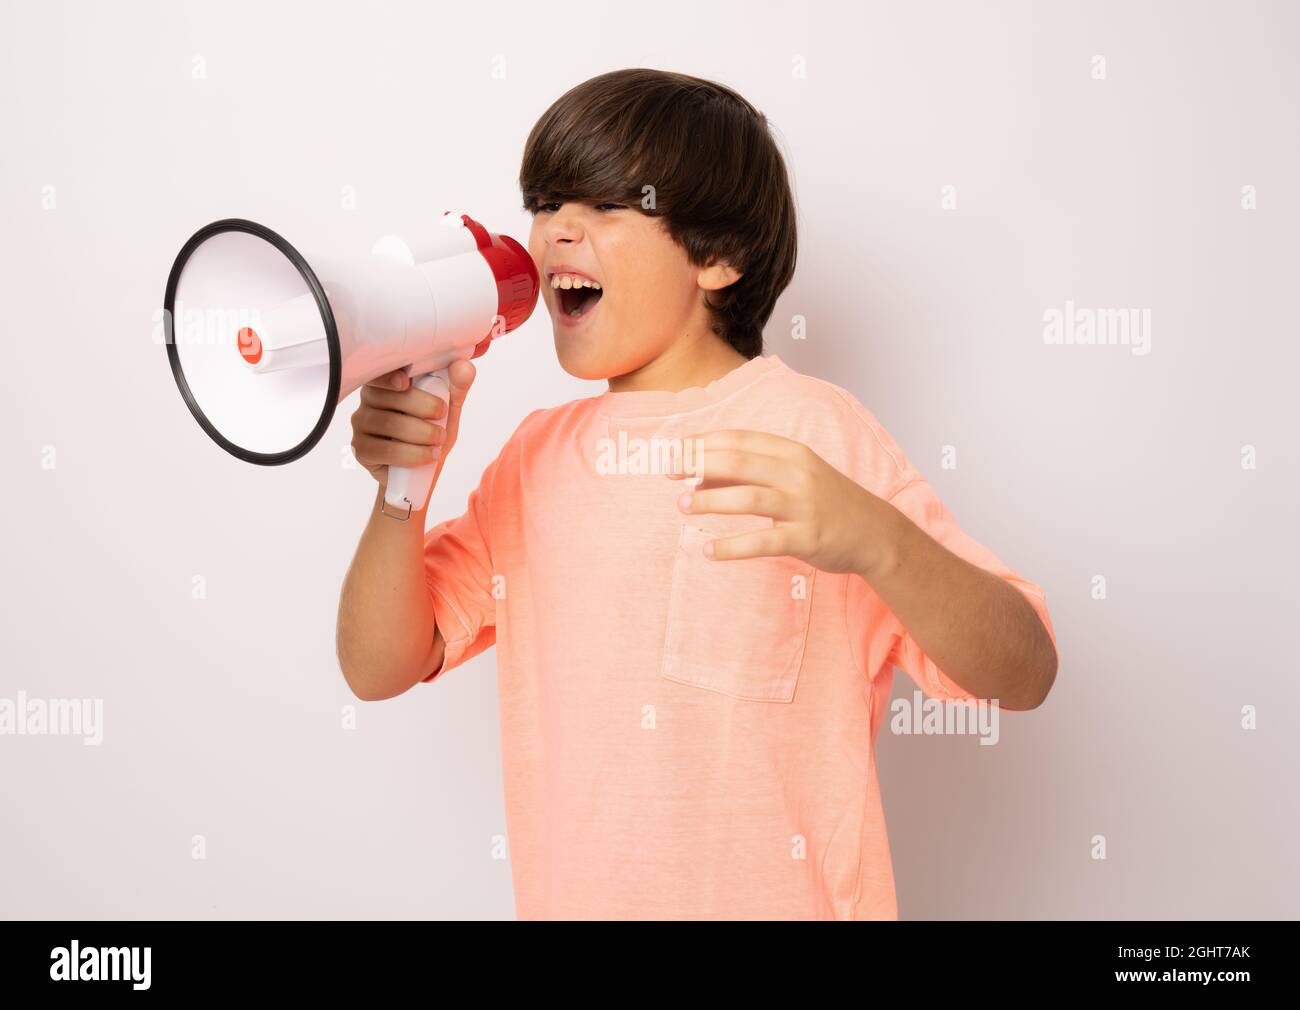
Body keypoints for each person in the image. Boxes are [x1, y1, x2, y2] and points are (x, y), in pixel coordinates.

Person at [336, 68, 1058, 920]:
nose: (556, 229)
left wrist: (878, 539)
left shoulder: (813, 430)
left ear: (718, 256)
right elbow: (379, 665)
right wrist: (402, 491)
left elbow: (1026, 668)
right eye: (545, 202)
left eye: (605, 205)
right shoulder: (535, 459)